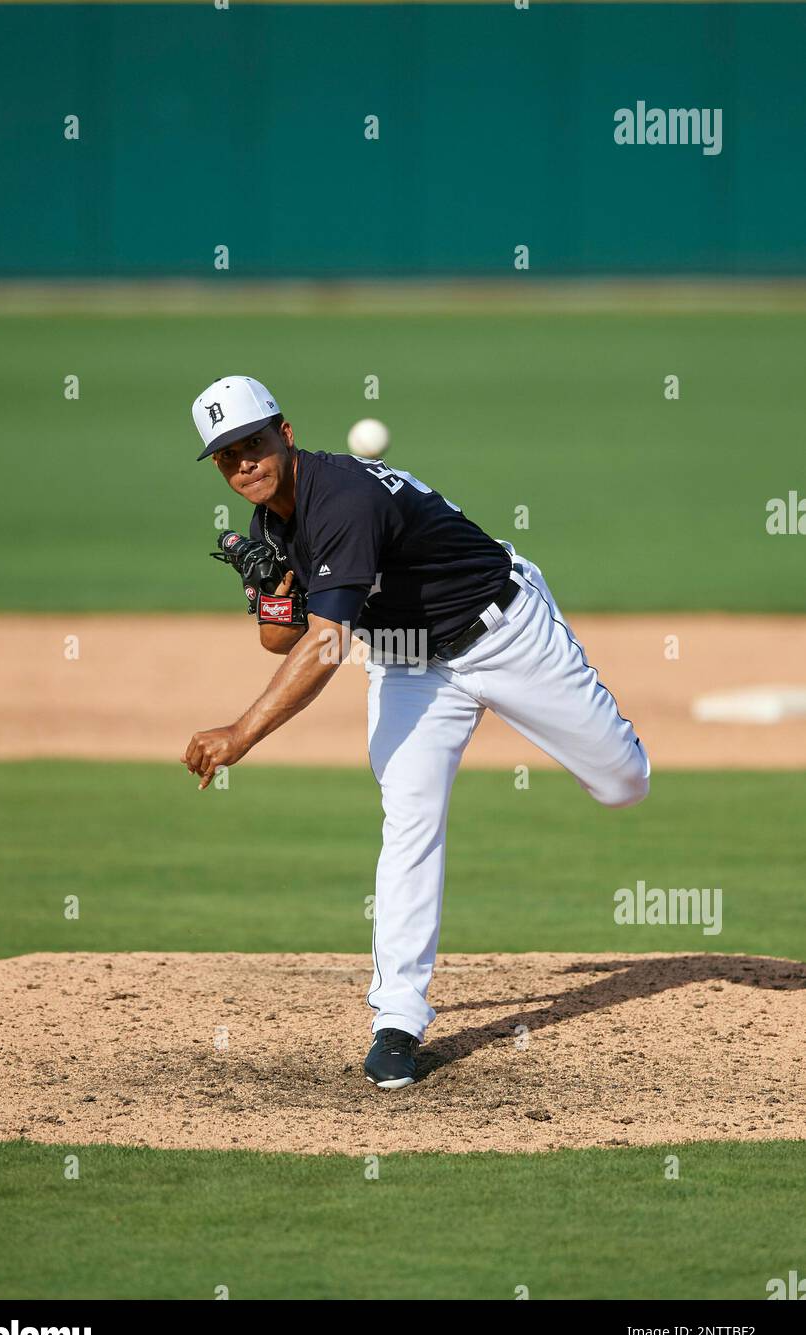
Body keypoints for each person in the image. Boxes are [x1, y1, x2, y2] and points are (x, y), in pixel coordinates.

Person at [182, 376, 650, 1090]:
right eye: (226, 456)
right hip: (409, 665)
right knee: (409, 820)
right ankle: (396, 1020)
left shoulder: (341, 500)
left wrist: (241, 734)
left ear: (285, 431)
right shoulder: (272, 522)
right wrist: (270, 597)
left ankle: (607, 736)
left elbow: (327, 645)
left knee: (624, 784)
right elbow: (284, 641)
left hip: (507, 634)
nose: (243, 463)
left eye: (251, 443)